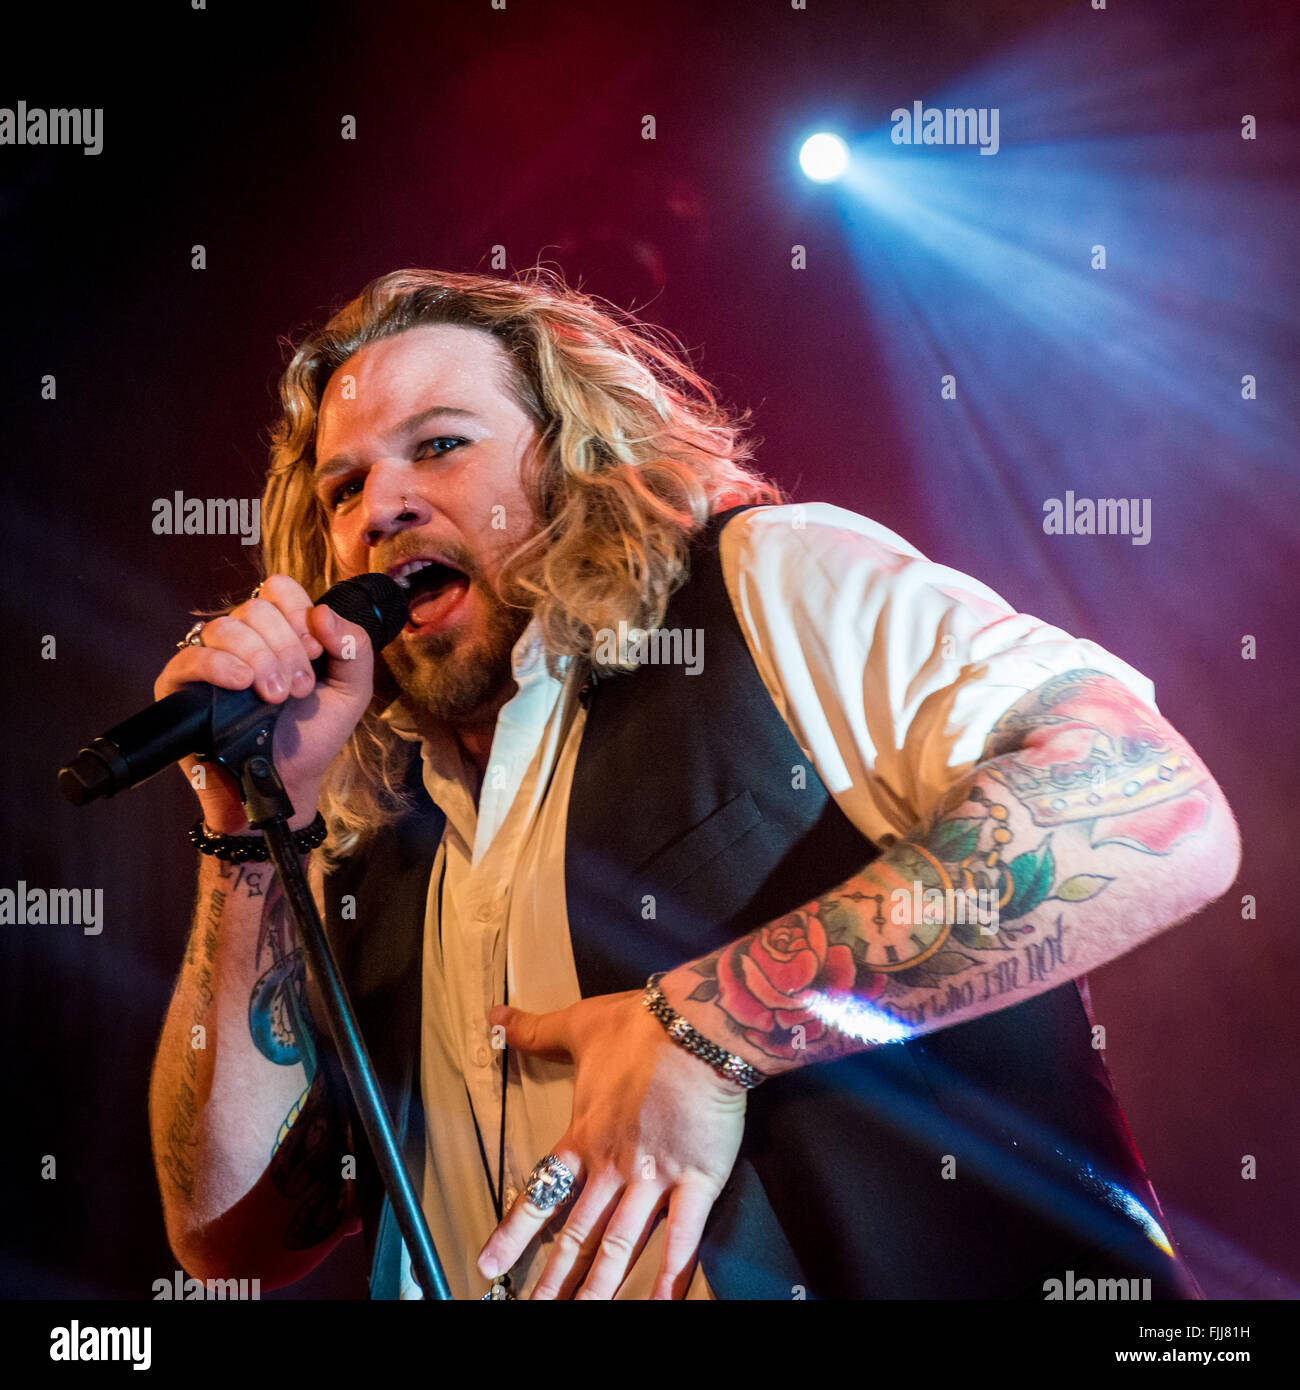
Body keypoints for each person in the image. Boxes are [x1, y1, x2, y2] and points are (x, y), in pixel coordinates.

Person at [148, 268, 1239, 1301]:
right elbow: (228, 1234)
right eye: (342, 487)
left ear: (577, 456)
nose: (379, 505)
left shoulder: (770, 578)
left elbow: (1150, 800)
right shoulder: (373, 840)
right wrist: (253, 824)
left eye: (439, 445)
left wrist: (712, 1025)